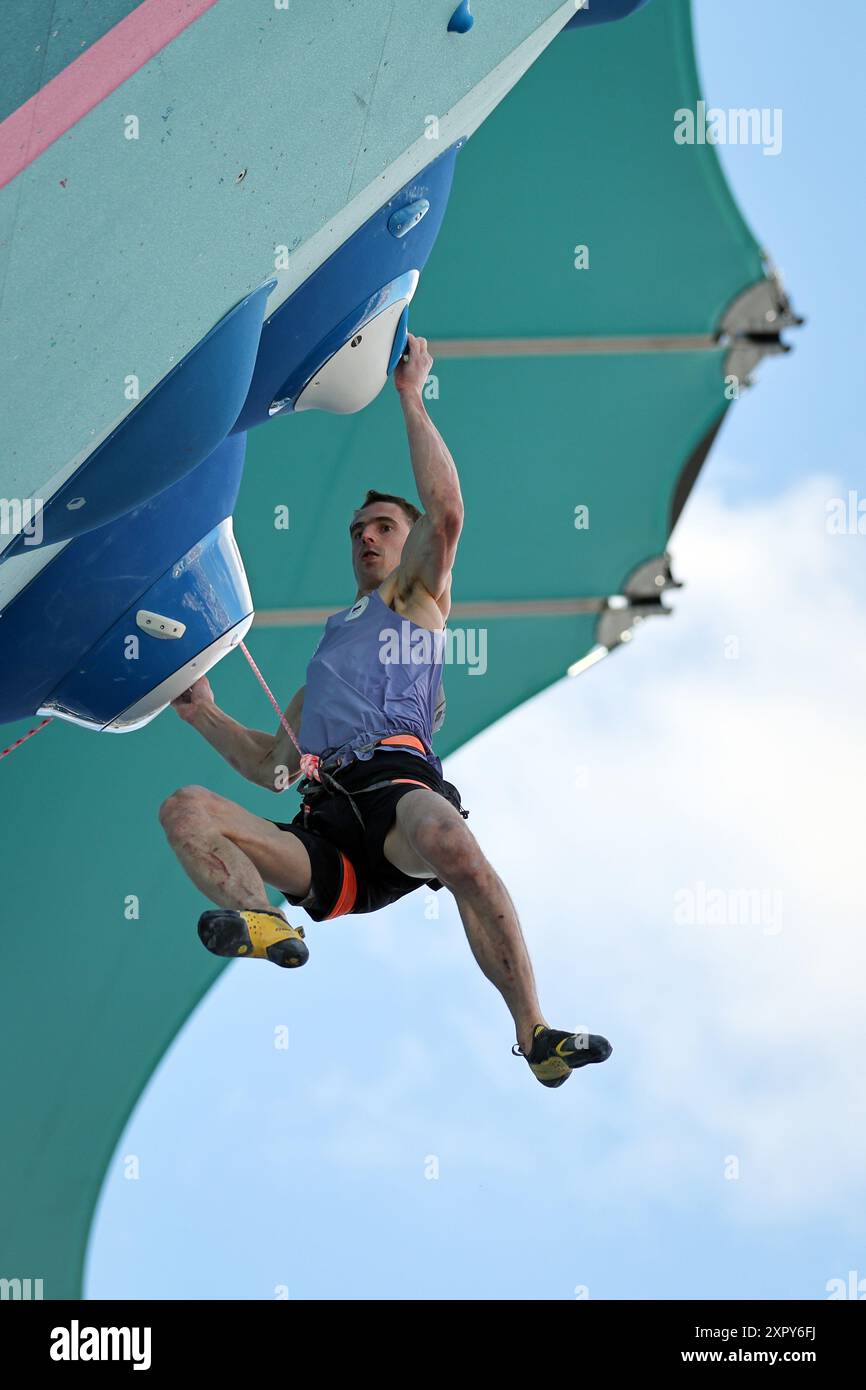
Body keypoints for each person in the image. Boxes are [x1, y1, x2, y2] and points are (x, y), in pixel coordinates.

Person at [160, 334, 611, 1088]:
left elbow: (449, 511)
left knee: (454, 843)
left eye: (383, 528)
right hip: (329, 837)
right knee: (186, 811)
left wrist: (409, 394)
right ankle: (268, 924)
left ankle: (534, 1032)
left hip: (401, 803)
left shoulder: (414, 601)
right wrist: (203, 712)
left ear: (408, 552)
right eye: (358, 529)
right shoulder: (329, 660)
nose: (366, 535)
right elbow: (273, 767)